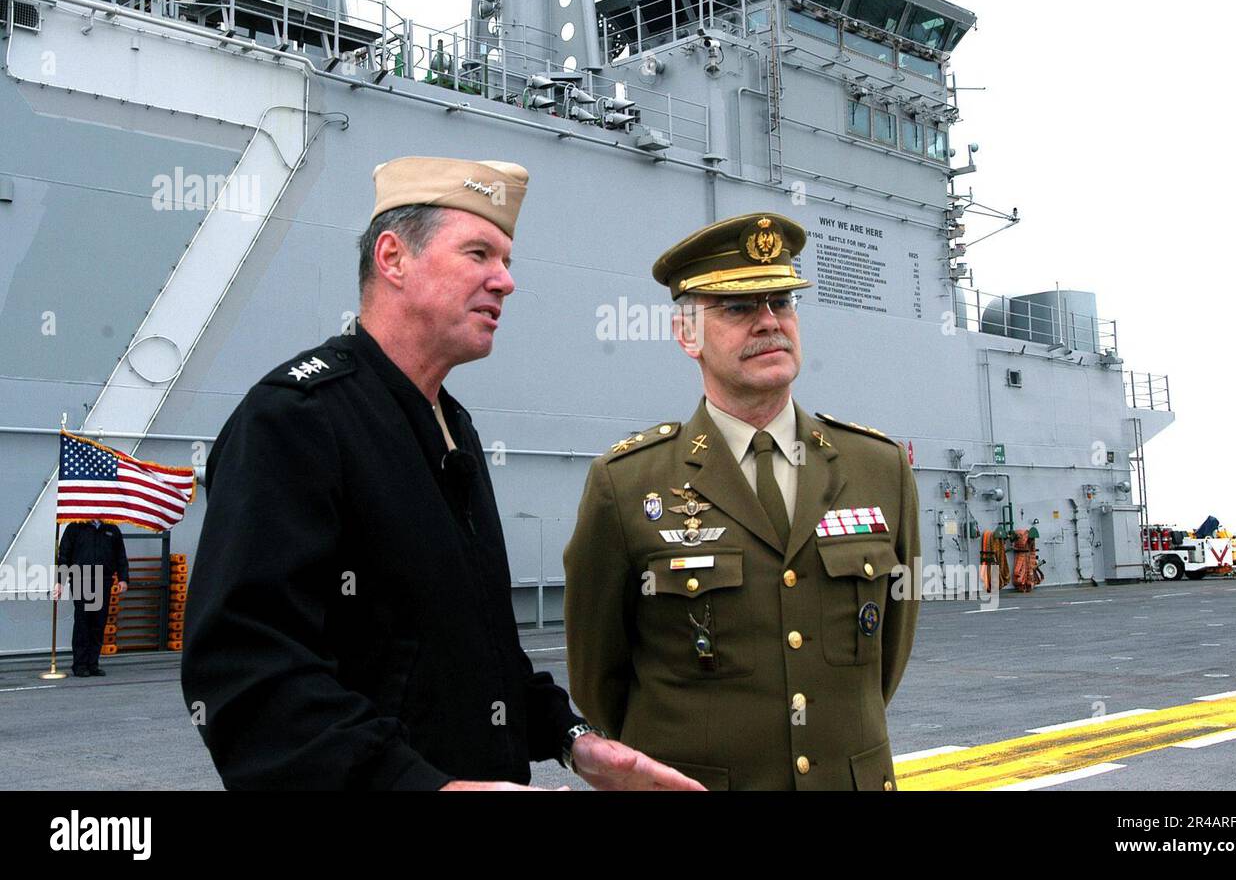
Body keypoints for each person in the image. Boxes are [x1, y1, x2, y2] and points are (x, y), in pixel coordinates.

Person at [181, 156, 702, 791]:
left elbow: (474, 647)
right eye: (479, 254)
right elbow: (246, 671)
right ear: (393, 258)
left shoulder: (450, 424)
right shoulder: (295, 420)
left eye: (506, 261)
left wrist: (573, 740)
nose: (505, 281)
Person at [564, 212, 921, 790]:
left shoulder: (877, 468)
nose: (769, 322)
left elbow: (886, 655)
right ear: (687, 335)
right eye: (737, 308)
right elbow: (598, 678)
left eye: (781, 301)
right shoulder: (626, 484)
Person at [53, 519, 130, 677]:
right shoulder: (75, 527)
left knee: (98, 623)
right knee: (83, 622)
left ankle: (93, 663)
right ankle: (80, 664)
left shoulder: (112, 529)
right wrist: (59, 582)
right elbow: (64, 555)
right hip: (82, 579)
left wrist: (123, 578)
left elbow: (120, 556)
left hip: (104, 580)